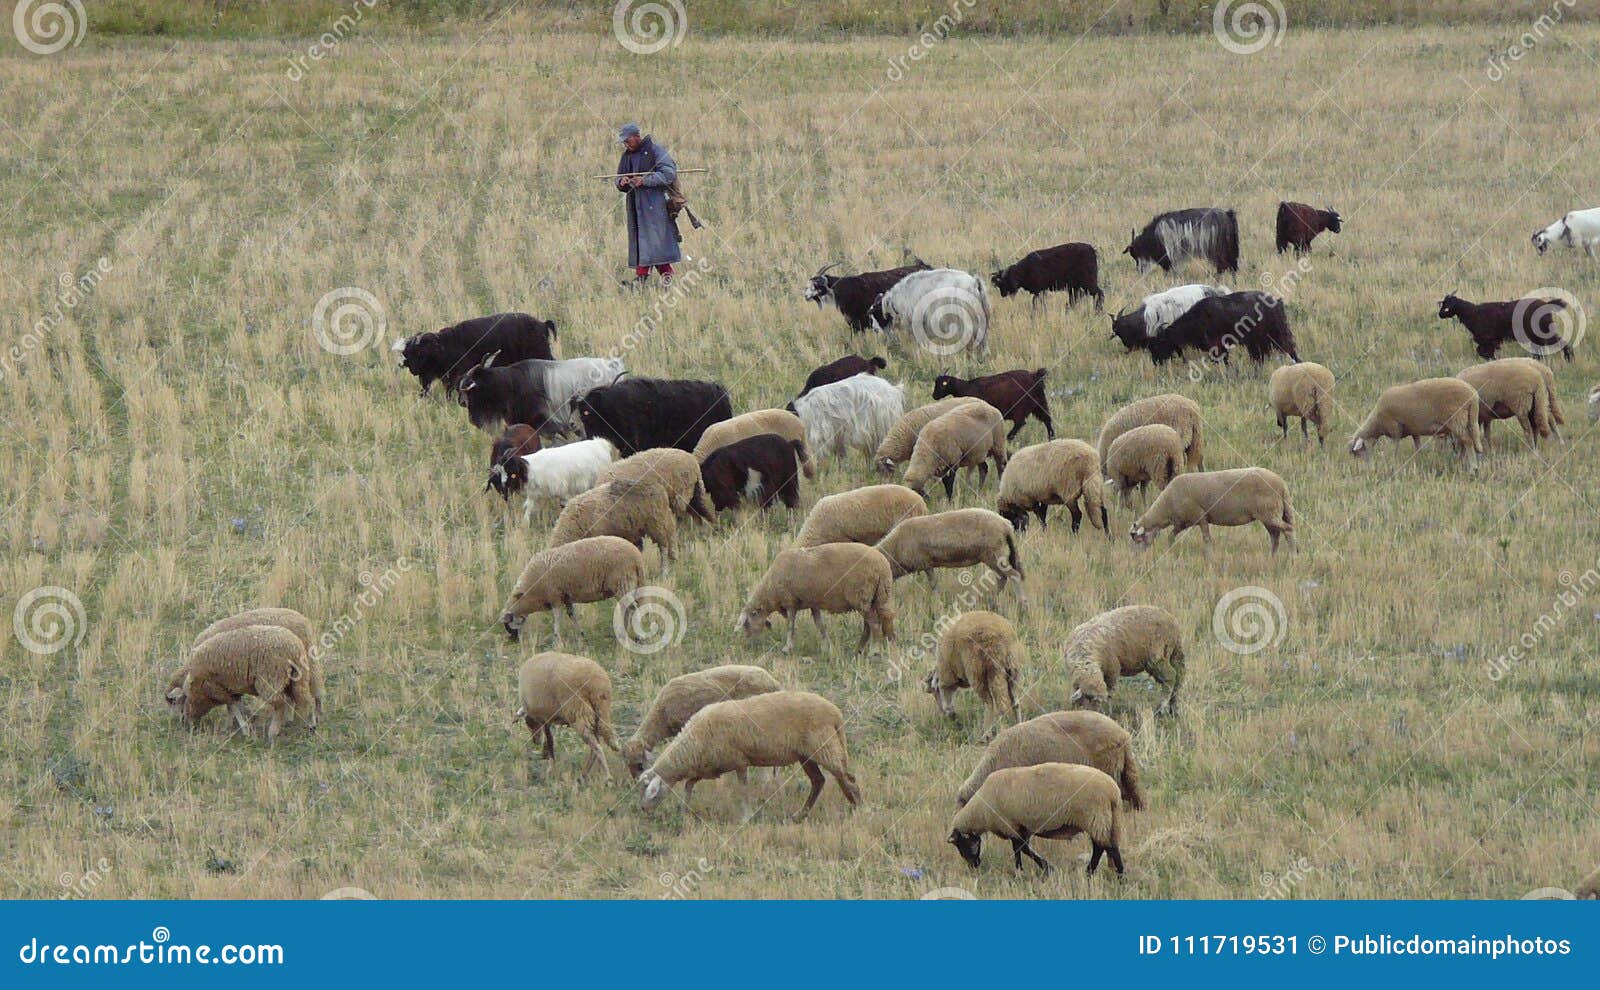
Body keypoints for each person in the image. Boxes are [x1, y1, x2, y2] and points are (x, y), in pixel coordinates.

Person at [614, 123, 682, 287]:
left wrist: (645, 180)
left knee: (655, 243)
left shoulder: (656, 151)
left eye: (627, 140)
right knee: (645, 242)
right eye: (624, 142)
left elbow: (669, 174)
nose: (626, 144)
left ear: (637, 137)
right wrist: (622, 182)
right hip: (635, 207)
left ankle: (645, 279)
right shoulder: (626, 156)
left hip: (656, 206)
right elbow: (618, 178)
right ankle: (658, 277)